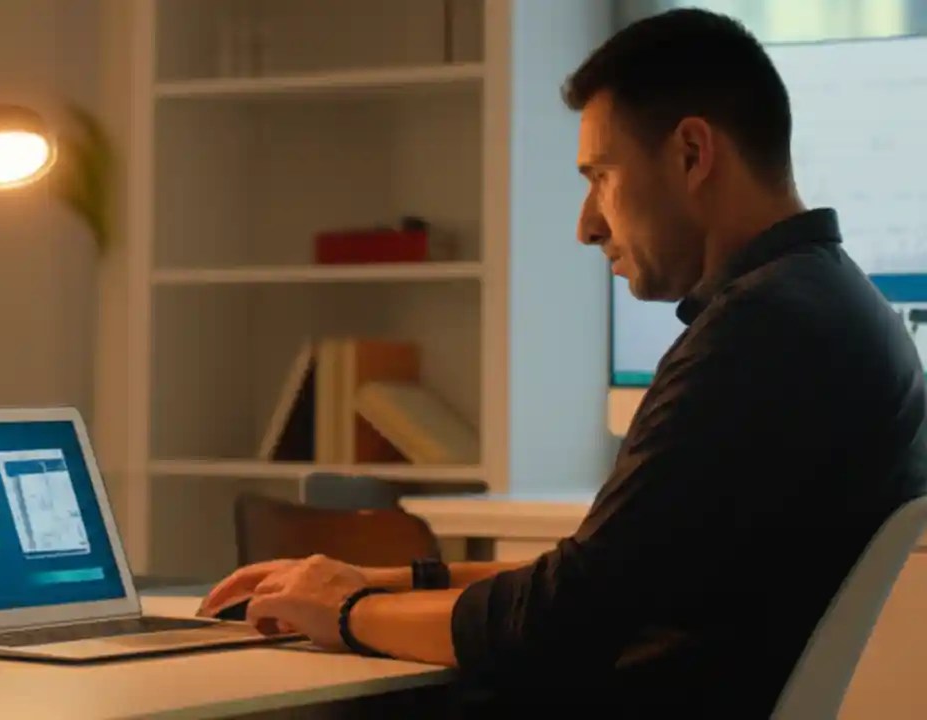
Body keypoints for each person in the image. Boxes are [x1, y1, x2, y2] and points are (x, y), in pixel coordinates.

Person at [197, 7, 927, 717]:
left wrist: (351, 612)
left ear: (692, 153)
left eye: (599, 176)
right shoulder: (832, 305)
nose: (586, 225)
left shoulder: (760, 332)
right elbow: (603, 576)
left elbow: (558, 621)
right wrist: (378, 583)